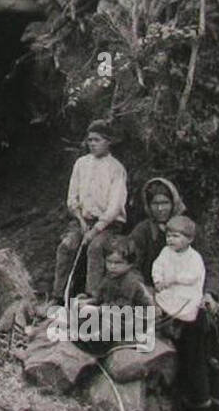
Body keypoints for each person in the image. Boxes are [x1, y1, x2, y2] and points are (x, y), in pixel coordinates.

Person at [152, 214, 219, 411]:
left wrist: (207, 293)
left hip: (189, 298)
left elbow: (199, 274)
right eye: (169, 236)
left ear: (189, 238)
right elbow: (153, 266)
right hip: (167, 296)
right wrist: (158, 281)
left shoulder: (194, 255)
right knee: (189, 348)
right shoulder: (157, 244)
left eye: (176, 236)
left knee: (204, 340)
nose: (171, 240)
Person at [54, 120, 127, 300]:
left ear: (108, 142)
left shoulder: (116, 168)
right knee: (66, 246)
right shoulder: (81, 163)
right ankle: (58, 295)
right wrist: (80, 221)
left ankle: (91, 296)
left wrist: (95, 229)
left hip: (108, 225)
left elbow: (115, 206)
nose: (92, 144)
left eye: (97, 140)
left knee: (95, 247)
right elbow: (72, 198)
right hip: (82, 221)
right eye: (90, 140)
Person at [128, 177, 186, 285]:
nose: (160, 208)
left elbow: (208, 264)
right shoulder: (142, 230)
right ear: (148, 206)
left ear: (173, 203)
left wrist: (209, 292)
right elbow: (131, 265)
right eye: (155, 204)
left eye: (165, 203)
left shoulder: (186, 228)